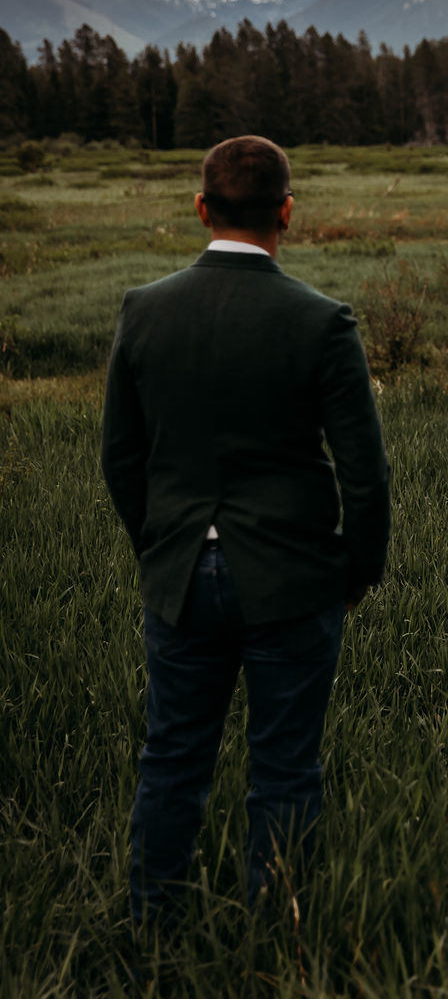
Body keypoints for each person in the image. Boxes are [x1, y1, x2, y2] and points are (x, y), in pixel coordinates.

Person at [101, 135, 390, 930]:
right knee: (286, 767)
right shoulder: (321, 321)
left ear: (202, 209)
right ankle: (278, 936)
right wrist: (356, 574)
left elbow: (120, 459)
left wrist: (161, 550)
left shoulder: (144, 310)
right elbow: (366, 475)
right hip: (292, 578)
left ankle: (153, 929)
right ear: (286, 212)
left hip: (180, 576)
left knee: (172, 758)